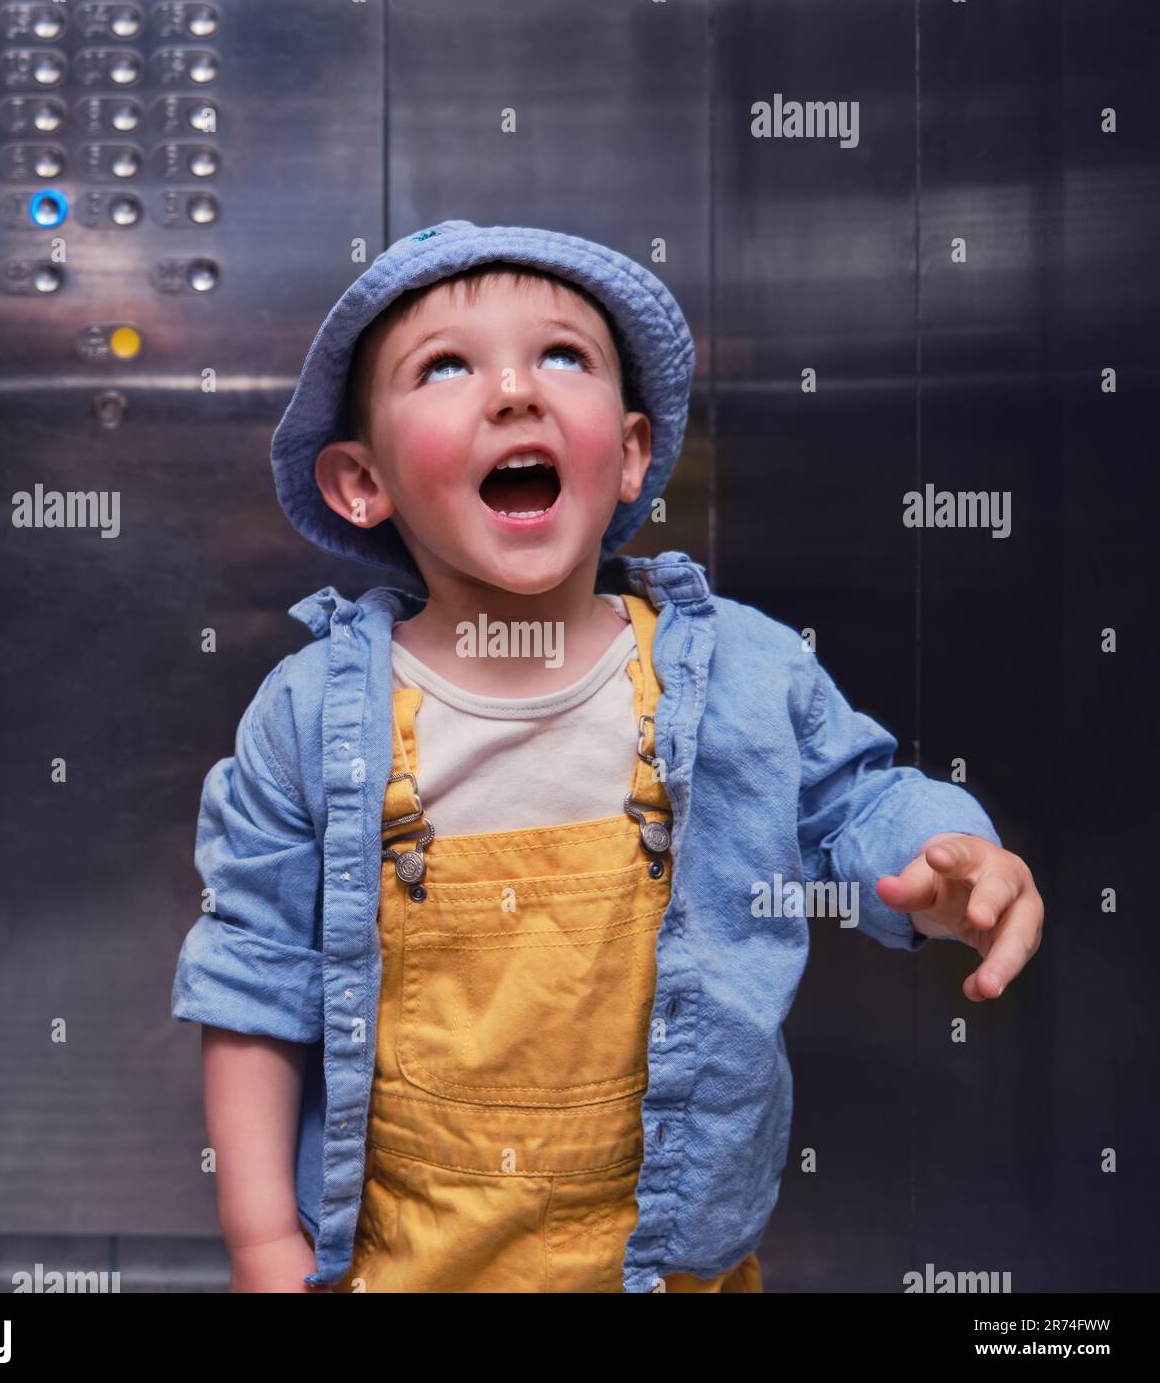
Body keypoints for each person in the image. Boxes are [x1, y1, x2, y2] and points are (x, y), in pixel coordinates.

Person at [171, 220, 1045, 1293]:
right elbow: (256, 977)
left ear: (629, 453)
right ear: (363, 479)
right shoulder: (311, 717)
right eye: (446, 366)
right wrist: (263, 1242)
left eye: (561, 357)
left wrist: (944, 860)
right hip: (410, 1259)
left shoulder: (737, 673)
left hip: (670, 1263)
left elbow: (848, 809)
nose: (513, 392)